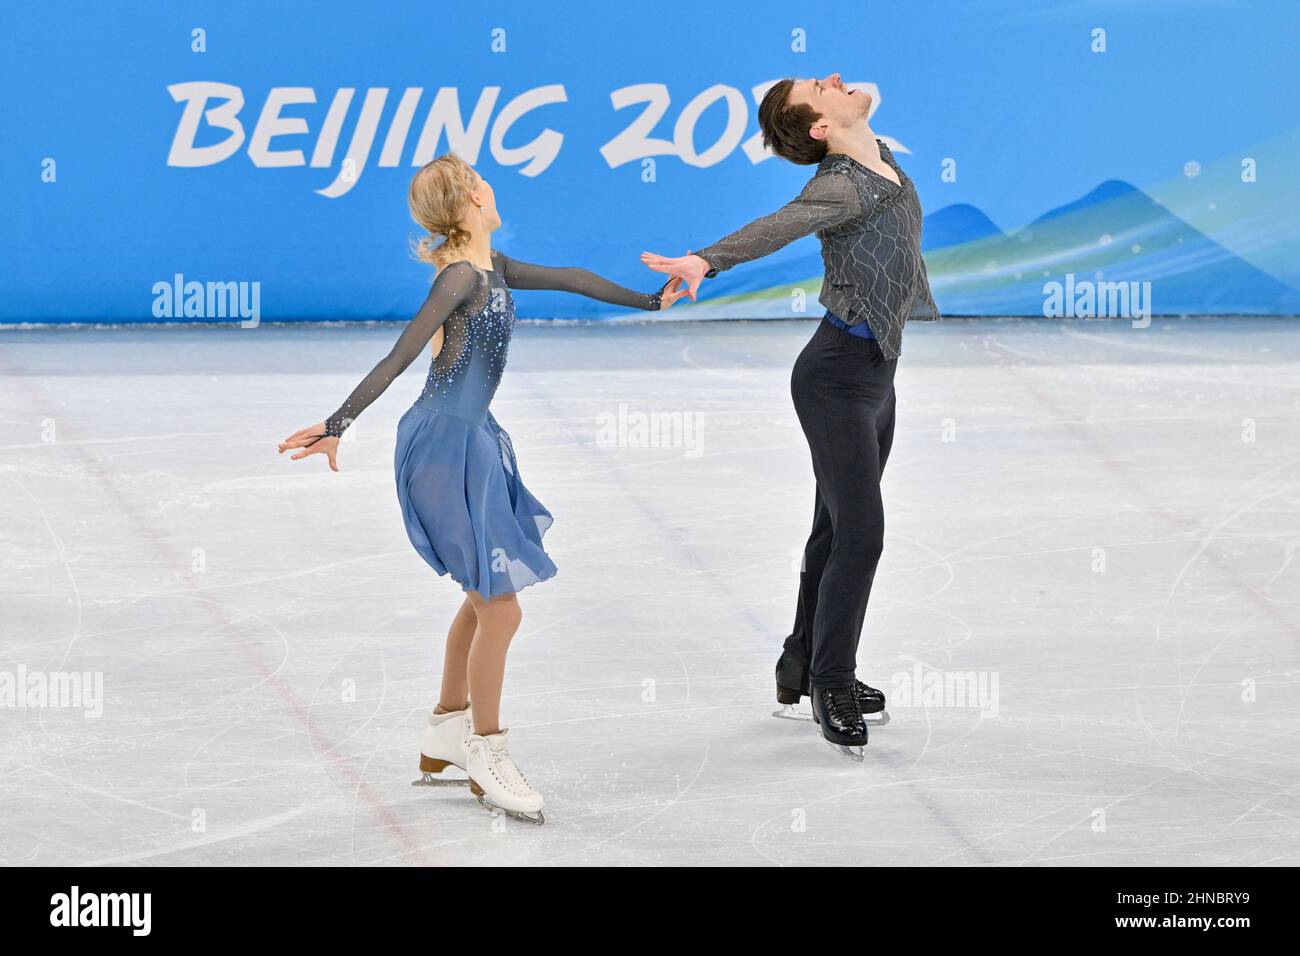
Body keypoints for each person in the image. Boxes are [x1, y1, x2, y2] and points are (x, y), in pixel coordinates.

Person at [280, 153, 686, 821]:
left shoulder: (496, 269)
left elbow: (576, 278)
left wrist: (651, 299)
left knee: (483, 596)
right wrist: (337, 424)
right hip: (442, 448)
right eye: (486, 183)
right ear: (470, 198)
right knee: (500, 607)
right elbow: (401, 353)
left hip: (473, 439)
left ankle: (446, 725)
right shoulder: (460, 277)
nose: (495, 190)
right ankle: (486, 748)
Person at [641, 73, 940, 758]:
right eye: (819, 86)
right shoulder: (838, 184)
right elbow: (778, 226)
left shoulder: (877, 151)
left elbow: (867, 91)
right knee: (861, 534)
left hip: (876, 375)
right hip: (834, 379)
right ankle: (833, 683)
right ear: (818, 129)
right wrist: (704, 260)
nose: (836, 79)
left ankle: (800, 662)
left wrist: (838, 104)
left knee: (834, 527)